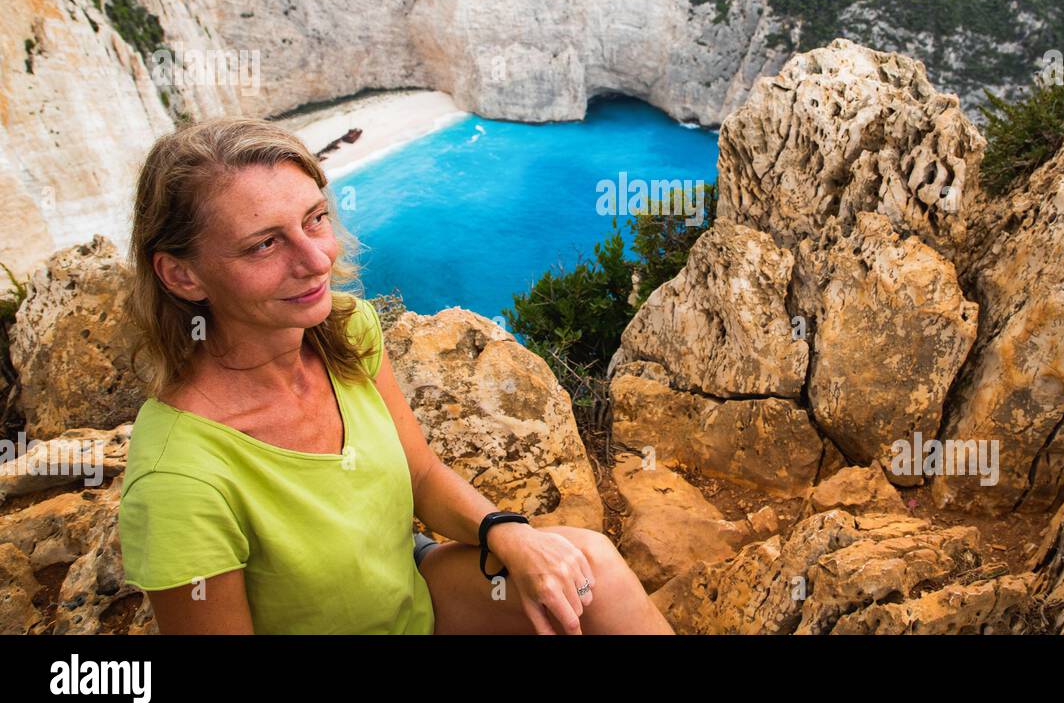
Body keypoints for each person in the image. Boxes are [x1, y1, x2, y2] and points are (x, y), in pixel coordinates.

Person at [116, 115, 674, 635]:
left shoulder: (348, 333)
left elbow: (422, 477)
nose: (315, 260)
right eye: (264, 243)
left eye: (315, 220)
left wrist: (510, 535)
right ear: (182, 275)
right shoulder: (178, 481)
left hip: (416, 595)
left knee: (589, 566)